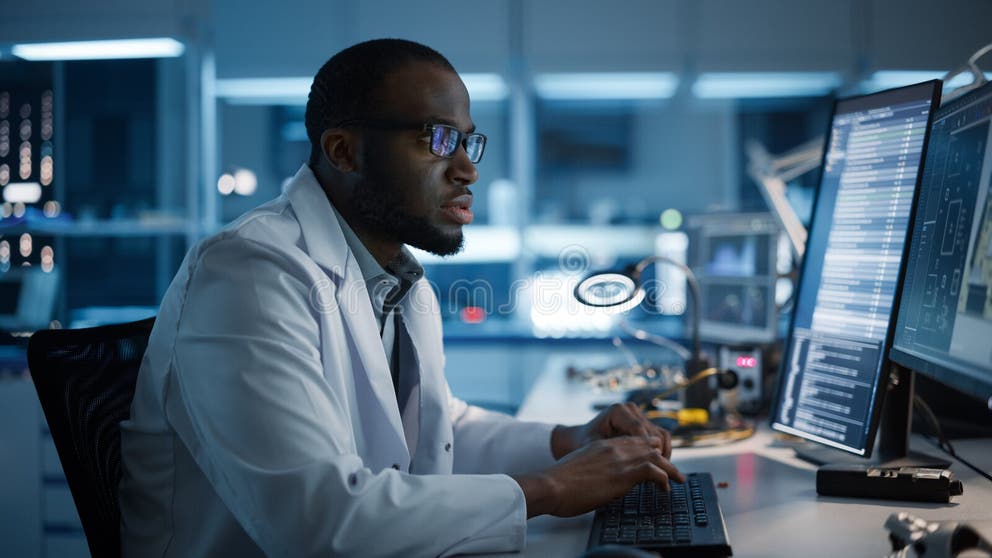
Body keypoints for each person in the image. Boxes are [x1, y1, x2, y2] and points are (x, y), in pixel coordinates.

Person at [119, 38, 682, 557]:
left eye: (468, 142)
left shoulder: (394, 276)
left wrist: (567, 441)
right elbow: (316, 521)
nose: (467, 170)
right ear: (343, 151)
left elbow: (437, 432)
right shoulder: (250, 271)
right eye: (437, 139)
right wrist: (552, 488)